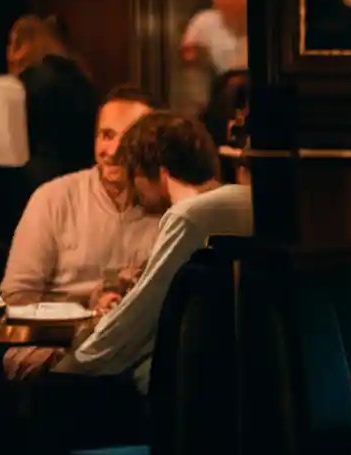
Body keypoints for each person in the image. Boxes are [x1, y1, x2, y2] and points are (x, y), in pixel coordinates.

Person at [55, 112, 253, 393]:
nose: (134, 192)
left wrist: (70, 366)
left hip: (194, 378)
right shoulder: (241, 200)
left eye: (134, 175)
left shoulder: (188, 216)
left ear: (157, 172)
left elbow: (141, 315)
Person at [0, 86, 160, 380]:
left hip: (134, 349)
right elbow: (16, 298)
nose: (114, 151)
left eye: (128, 139)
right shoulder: (53, 198)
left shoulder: (166, 205)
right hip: (56, 344)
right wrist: (86, 313)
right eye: (106, 135)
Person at [6, 14, 99, 196]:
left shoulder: (29, 83)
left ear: (26, 45)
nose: (10, 52)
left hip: (39, 180)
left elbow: (16, 139)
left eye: (14, 43)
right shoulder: (81, 75)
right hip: (82, 176)